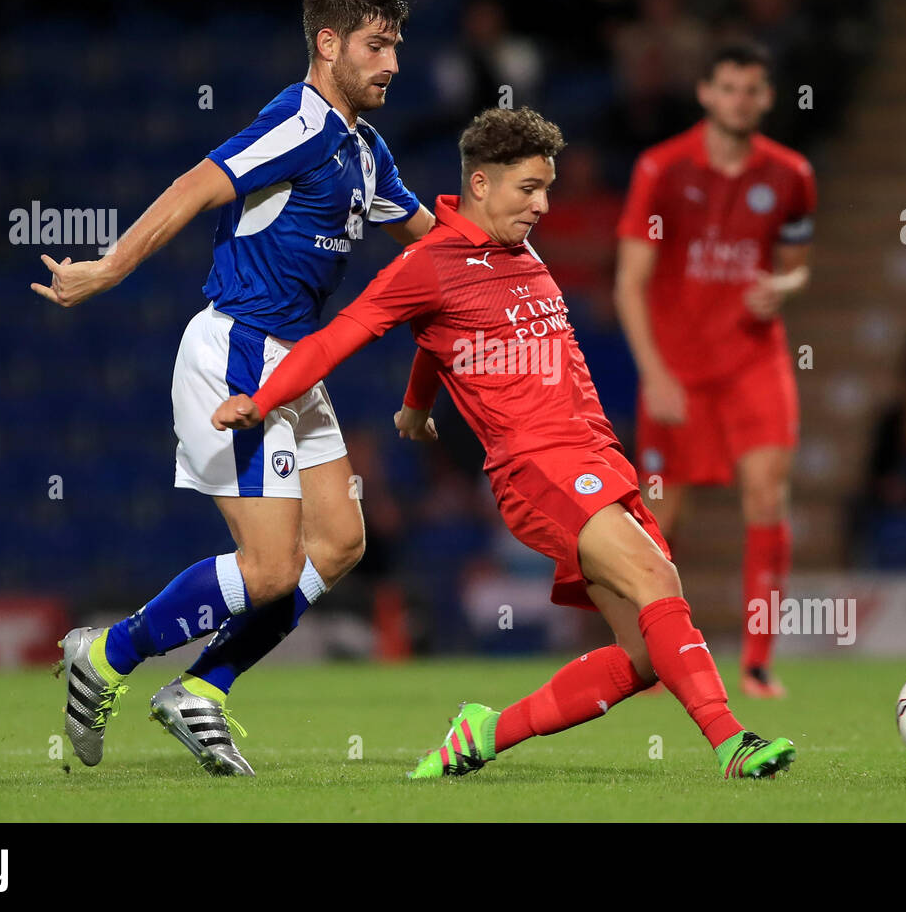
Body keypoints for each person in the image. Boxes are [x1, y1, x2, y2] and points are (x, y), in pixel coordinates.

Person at [213, 107, 796, 781]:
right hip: (538, 466)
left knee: (640, 657)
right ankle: (733, 743)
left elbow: (443, 337)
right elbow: (333, 340)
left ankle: (485, 732)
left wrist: (416, 404)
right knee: (658, 579)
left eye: (547, 188)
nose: (543, 205)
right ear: (482, 184)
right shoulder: (425, 265)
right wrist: (260, 400)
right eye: (529, 188)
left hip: (597, 455)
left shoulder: (515, 248)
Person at [33, 0, 434, 776]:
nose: (393, 62)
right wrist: (110, 267)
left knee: (341, 541)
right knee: (271, 567)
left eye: (397, 45)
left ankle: (203, 689)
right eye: (376, 46)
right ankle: (107, 655)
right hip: (239, 350)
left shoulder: (366, 149)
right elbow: (195, 185)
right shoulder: (300, 120)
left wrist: (502, 252)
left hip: (297, 362)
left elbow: (430, 244)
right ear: (329, 45)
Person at [613, 40, 816, 699]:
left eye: (751, 89)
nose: (739, 100)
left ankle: (756, 663)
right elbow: (628, 284)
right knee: (660, 522)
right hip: (679, 371)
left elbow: (797, 264)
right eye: (728, 88)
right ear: (705, 93)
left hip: (754, 360)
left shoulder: (791, 175)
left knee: (766, 494)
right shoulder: (661, 169)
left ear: (767, 97)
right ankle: (642, 660)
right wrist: (655, 373)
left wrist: (781, 289)